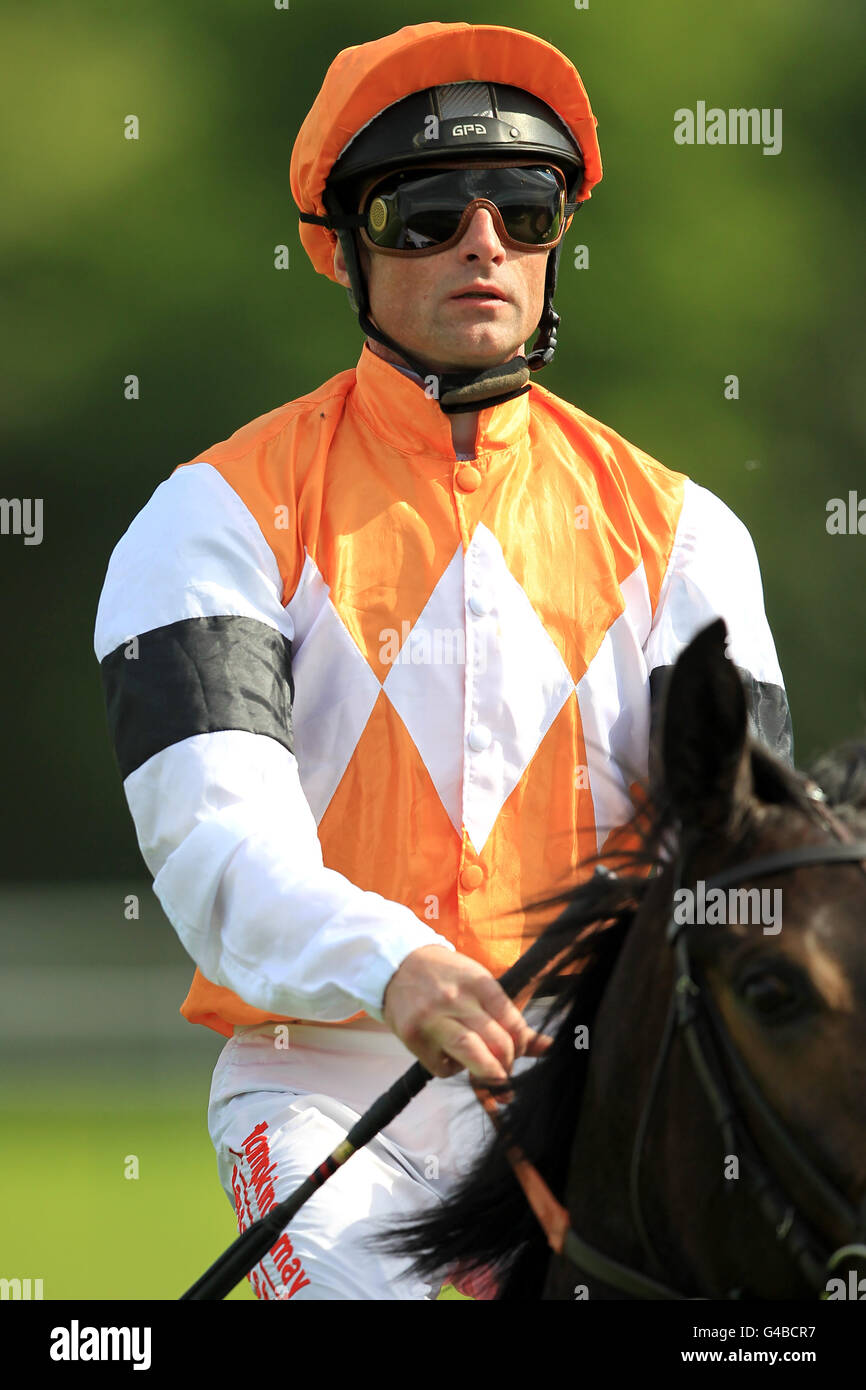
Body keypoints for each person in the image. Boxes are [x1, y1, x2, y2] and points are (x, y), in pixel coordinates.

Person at [93, 21, 793, 1301]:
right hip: (324, 1083)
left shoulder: (689, 535)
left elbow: (729, 862)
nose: (482, 241)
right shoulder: (210, 516)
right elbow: (216, 848)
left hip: (594, 1104)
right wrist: (391, 964)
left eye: (524, 210)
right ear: (349, 247)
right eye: (425, 212)